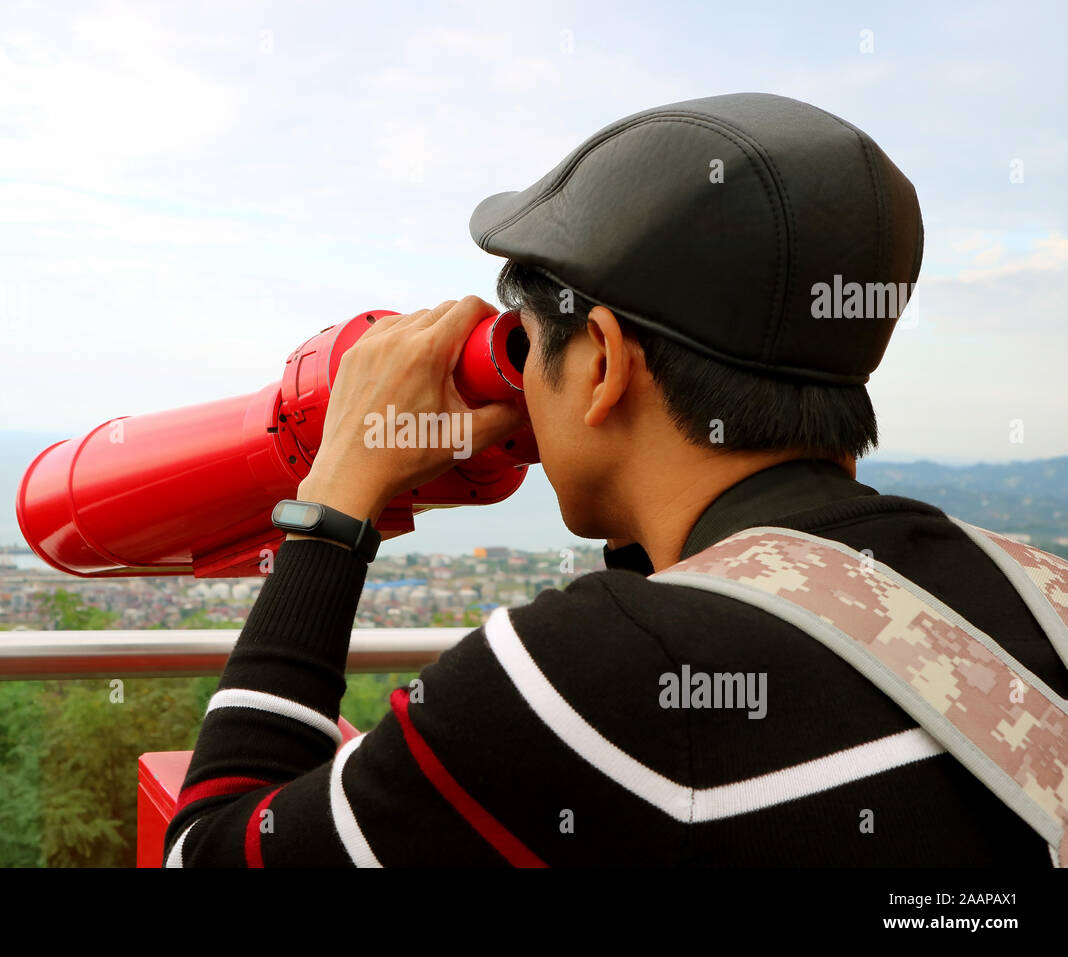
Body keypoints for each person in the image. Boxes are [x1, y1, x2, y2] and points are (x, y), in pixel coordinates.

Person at [163, 92, 1067, 866]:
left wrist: (336, 498)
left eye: (527, 343)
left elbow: (204, 848)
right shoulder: (1042, 594)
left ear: (600, 360)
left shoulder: (585, 680)